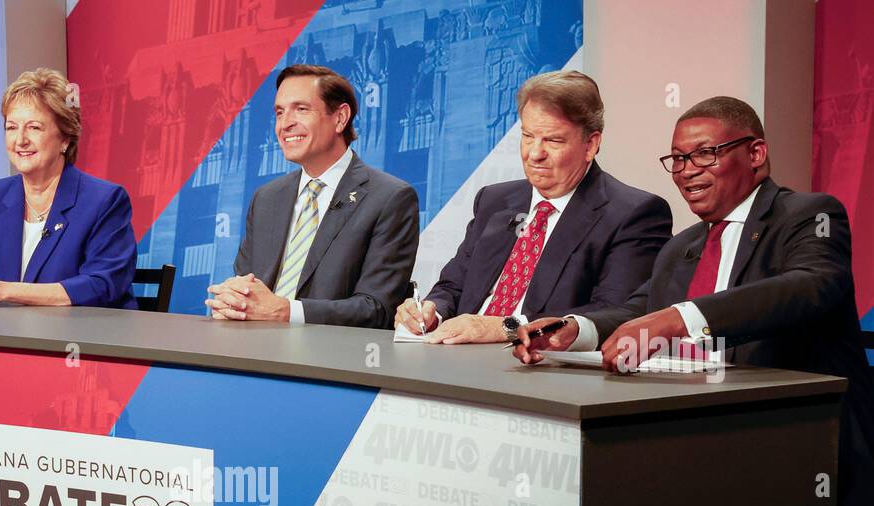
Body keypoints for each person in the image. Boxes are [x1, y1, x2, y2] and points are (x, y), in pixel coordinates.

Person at [515, 96, 874, 506]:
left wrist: (682, 318)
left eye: (705, 154)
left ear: (756, 154)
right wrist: (574, 329)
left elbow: (808, 287)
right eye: (678, 159)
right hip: (689, 433)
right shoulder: (681, 246)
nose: (687, 170)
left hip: (793, 438)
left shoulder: (808, 215)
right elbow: (639, 310)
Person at [396, 70, 671, 345]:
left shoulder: (634, 214)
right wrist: (432, 312)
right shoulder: (493, 200)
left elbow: (616, 314)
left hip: (542, 369)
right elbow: (453, 286)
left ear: (590, 145)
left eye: (553, 140)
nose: (534, 153)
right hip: (456, 357)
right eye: (528, 136)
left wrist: (507, 327)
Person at [206, 64, 418, 329]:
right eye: (280, 112)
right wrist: (233, 301)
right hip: (251, 348)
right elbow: (247, 285)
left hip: (330, 360)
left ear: (340, 118)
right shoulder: (267, 198)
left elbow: (376, 309)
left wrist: (286, 312)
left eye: (301, 109)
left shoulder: (390, 198)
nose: (285, 124)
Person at [0, 68, 136, 309]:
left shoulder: (104, 201)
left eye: (34, 128)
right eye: (11, 127)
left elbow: (101, 285)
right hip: (2, 338)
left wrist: (0, 291)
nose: (20, 140)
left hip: (79, 340)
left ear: (65, 138)